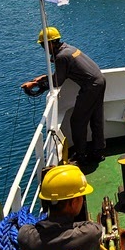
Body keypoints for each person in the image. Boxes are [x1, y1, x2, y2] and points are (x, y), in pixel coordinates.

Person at [27, 28, 106, 164]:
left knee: (77, 121)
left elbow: (58, 81)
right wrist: (42, 79)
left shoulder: (61, 57)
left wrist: (37, 85)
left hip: (90, 87)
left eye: (43, 45)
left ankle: (81, 155)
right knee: (96, 118)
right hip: (100, 81)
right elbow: (65, 71)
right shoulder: (68, 48)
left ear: (50, 43)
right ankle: (98, 152)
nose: (43, 48)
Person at [18, 164, 101, 250]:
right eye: (81, 197)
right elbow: (96, 228)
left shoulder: (25, 236)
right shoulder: (90, 233)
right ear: (73, 203)